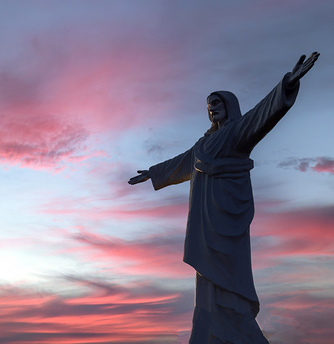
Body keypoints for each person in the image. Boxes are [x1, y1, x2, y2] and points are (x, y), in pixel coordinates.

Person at [128, 52, 319, 343]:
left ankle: (235, 331)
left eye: (216, 103)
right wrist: (153, 173)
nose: (211, 109)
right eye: (208, 106)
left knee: (229, 275)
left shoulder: (236, 133)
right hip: (205, 222)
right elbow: (181, 163)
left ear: (229, 105)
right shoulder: (203, 145)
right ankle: (209, 332)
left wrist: (287, 84)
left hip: (227, 219)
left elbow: (261, 115)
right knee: (207, 278)